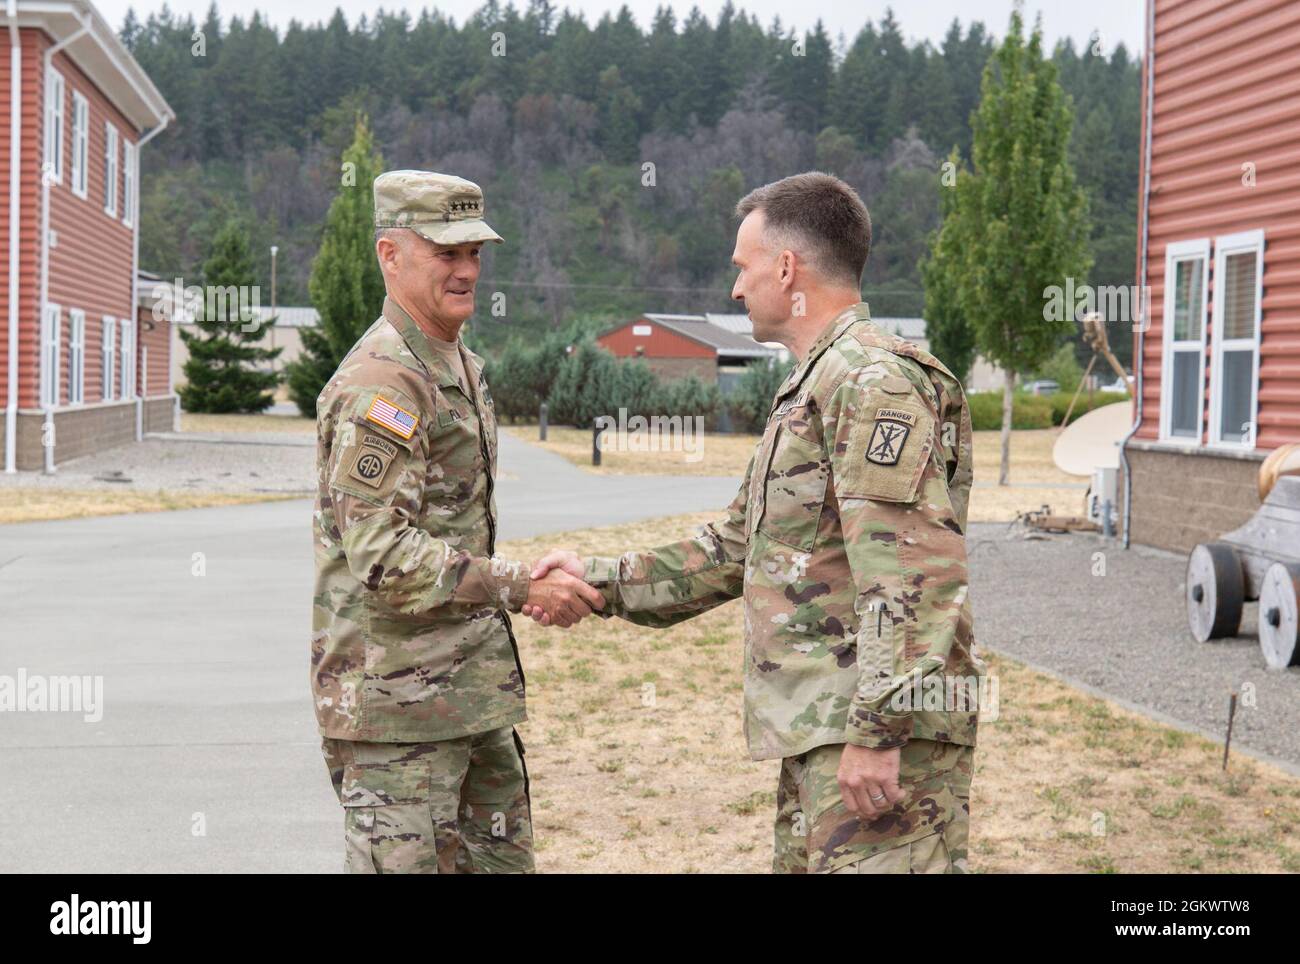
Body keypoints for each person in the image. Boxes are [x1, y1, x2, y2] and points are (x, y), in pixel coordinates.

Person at [526, 172, 983, 874]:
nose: (736, 289)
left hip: (871, 743)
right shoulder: (813, 384)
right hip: (821, 733)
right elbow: (734, 549)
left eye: (743, 268)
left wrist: (878, 729)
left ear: (788, 267)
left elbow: (913, 576)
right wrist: (599, 580)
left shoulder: (872, 382)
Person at [311, 169, 604, 873]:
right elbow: (382, 556)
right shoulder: (384, 381)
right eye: (446, 252)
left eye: (474, 251)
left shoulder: (459, 362)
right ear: (391, 254)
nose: (467, 268)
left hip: (471, 699)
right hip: (398, 713)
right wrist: (520, 586)